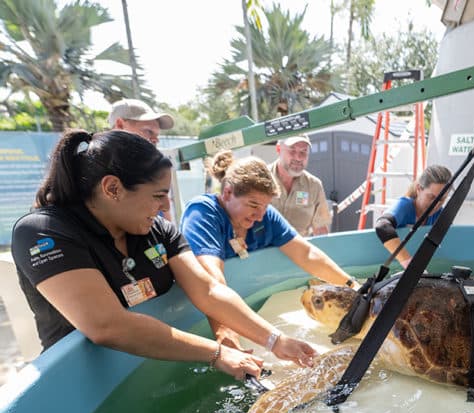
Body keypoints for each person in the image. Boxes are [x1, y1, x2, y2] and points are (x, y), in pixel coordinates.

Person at [11, 130, 316, 382]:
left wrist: (275, 340)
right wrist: (218, 353)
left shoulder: (157, 230)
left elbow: (209, 290)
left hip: (157, 368)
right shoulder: (44, 233)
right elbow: (108, 325)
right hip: (82, 386)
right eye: (158, 195)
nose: (164, 206)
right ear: (113, 188)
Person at [180, 150, 358, 346]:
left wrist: (352, 285)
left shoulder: (266, 216)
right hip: (201, 316)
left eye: (265, 206)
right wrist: (228, 334)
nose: (259, 215)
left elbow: (306, 253)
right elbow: (212, 281)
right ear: (228, 192)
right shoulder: (202, 213)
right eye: (253, 205)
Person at [374, 164, 453, 268]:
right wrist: (408, 262)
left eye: (442, 199)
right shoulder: (404, 206)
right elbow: (382, 226)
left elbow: (451, 239)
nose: (436, 204)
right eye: (431, 197)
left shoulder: (440, 214)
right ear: (419, 189)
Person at [269, 135, 332, 237]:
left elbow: (321, 231)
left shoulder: (313, 186)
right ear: (278, 149)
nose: (298, 157)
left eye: (303, 152)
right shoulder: (261, 180)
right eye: (292, 151)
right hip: (264, 251)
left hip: (298, 251)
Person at [107, 98, 175, 145]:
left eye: (157, 135)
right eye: (148, 131)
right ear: (120, 125)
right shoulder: (100, 163)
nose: (156, 140)